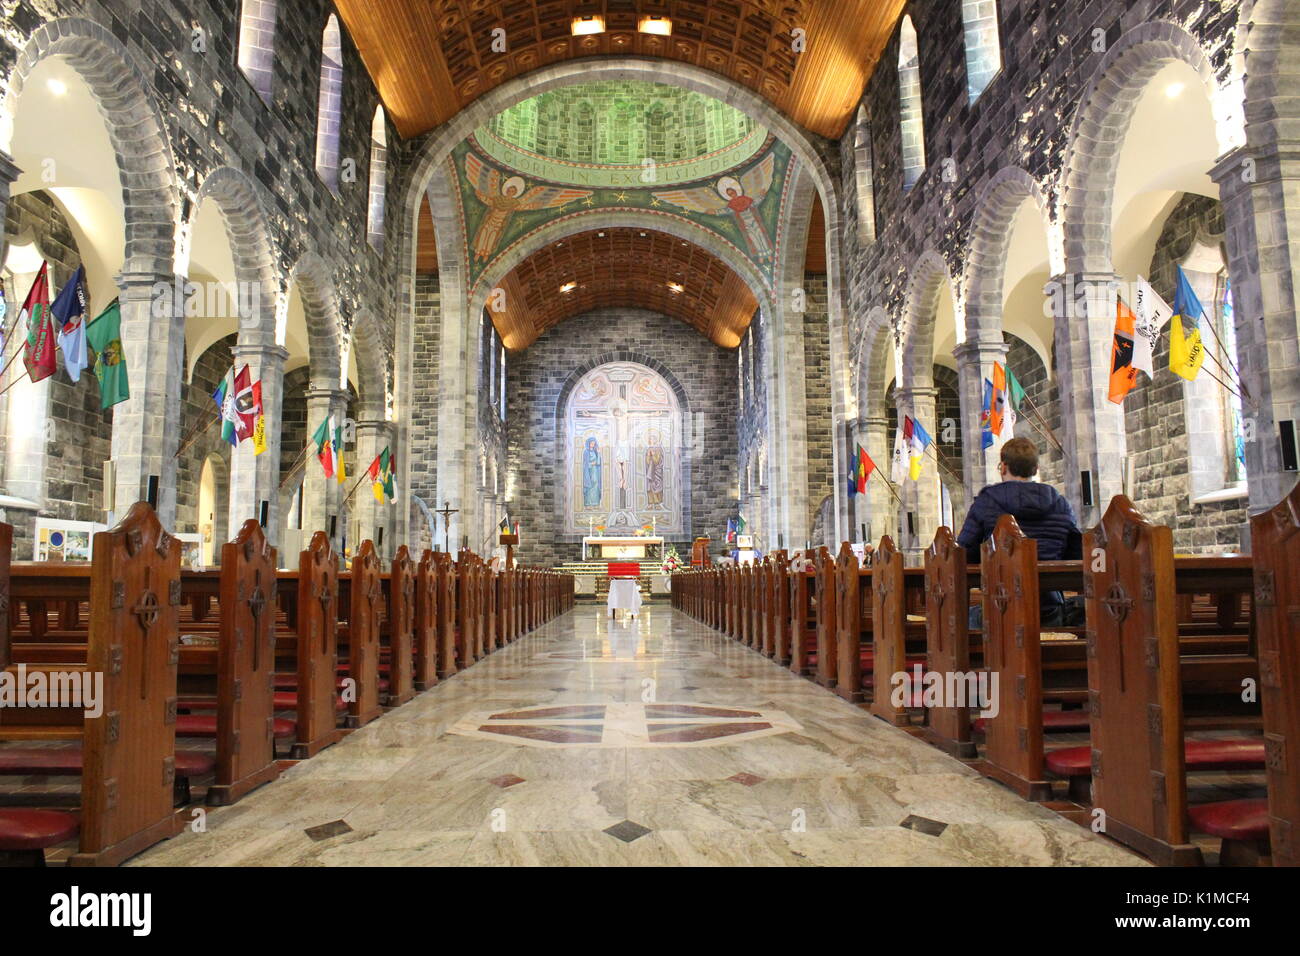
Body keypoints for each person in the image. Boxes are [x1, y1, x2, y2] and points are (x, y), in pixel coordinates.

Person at [957, 437, 1083, 626]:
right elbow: (1076, 553)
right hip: (1047, 607)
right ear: (1035, 469)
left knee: (963, 618)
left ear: (1004, 467)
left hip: (999, 604)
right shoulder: (1060, 503)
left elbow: (965, 553)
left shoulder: (987, 501)